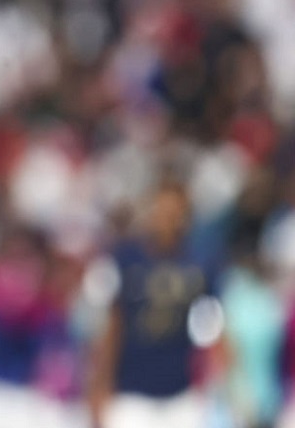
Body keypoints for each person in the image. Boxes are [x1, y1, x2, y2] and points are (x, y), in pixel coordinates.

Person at [87, 180, 226, 428]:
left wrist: (221, 389)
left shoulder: (201, 264)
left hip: (181, 393)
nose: (168, 221)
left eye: (175, 214)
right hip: (132, 394)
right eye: (162, 212)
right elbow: (111, 330)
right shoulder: (126, 259)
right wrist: (98, 389)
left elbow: (212, 333)